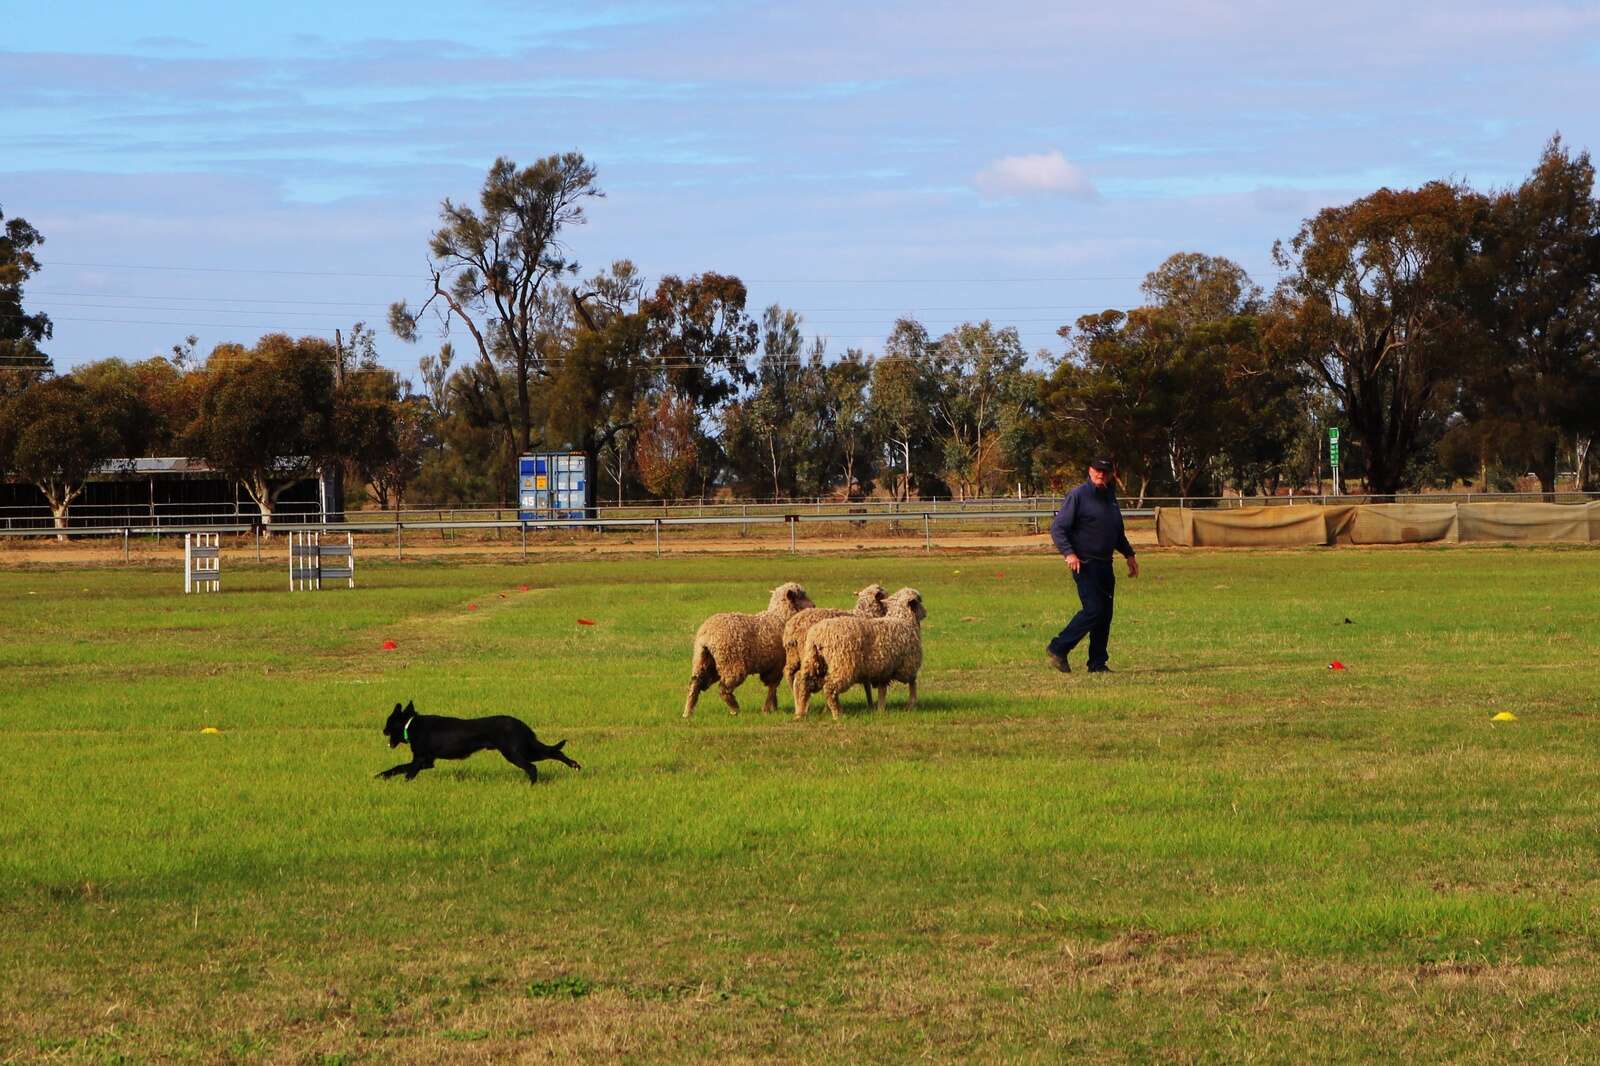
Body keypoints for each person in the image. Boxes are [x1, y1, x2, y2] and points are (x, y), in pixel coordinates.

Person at [1046, 458, 1138, 674]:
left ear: (1111, 473)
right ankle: (1058, 647)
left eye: (1105, 472)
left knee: (1105, 614)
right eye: (1097, 470)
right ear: (1089, 470)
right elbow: (1058, 529)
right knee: (1094, 610)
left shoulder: (1110, 497)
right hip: (1084, 564)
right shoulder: (1078, 495)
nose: (1101, 475)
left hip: (1106, 565)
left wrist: (1129, 555)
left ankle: (1097, 663)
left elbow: (1116, 532)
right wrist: (1069, 553)